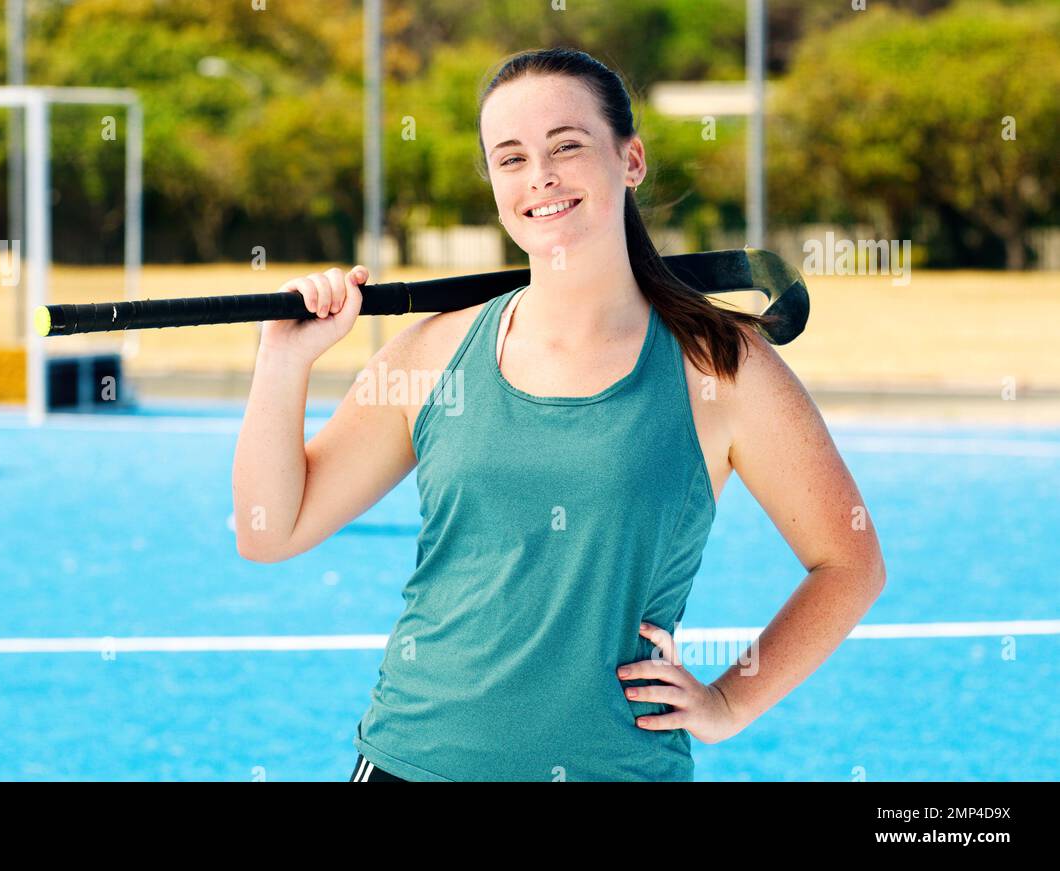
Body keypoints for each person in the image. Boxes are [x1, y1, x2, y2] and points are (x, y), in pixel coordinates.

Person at [232, 47, 886, 781]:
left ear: (630, 159)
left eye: (566, 146)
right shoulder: (431, 356)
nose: (538, 175)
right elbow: (270, 530)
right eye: (509, 159)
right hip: (414, 759)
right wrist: (282, 362)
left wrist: (730, 703)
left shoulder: (720, 367)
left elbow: (850, 562)